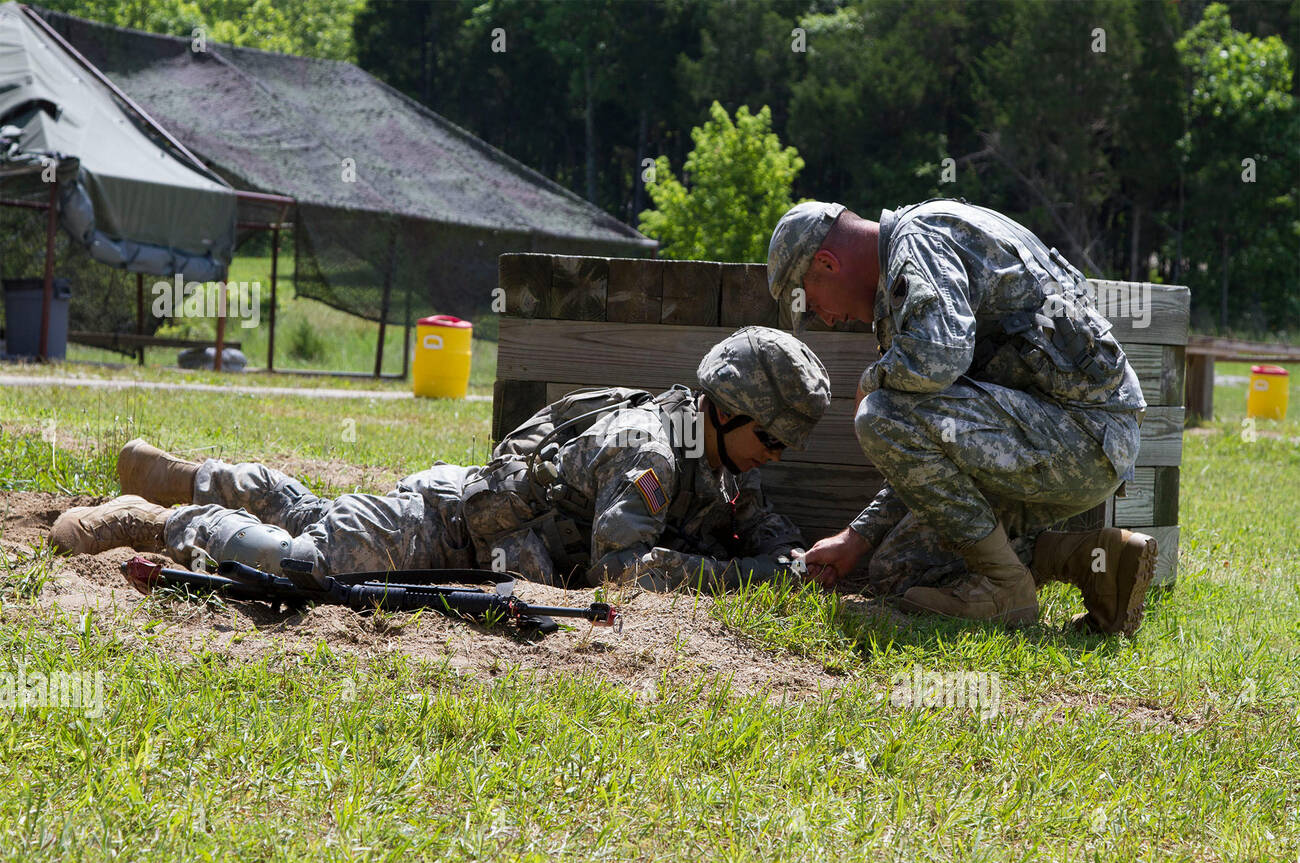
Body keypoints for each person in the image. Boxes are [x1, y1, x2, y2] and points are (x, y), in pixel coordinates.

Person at [50, 327, 831, 592]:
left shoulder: (717, 462)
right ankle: (158, 518)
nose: (774, 457)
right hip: (449, 522)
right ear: (726, 409)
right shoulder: (651, 449)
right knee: (308, 564)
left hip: (477, 541)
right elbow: (625, 572)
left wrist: (797, 563)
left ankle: (197, 476)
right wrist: (754, 578)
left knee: (318, 523)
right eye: (771, 439)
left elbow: (770, 531)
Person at [767, 199, 1157, 635]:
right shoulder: (922, 244)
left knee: (879, 410)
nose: (828, 318)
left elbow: (939, 358)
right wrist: (856, 538)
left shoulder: (919, 240)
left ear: (826, 262)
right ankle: (1092, 558)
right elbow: (929, 448)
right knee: (899, 571)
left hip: (1082, 437)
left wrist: (870, 381)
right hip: (1061, 442)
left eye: (812, 303)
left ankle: (1005, 586)